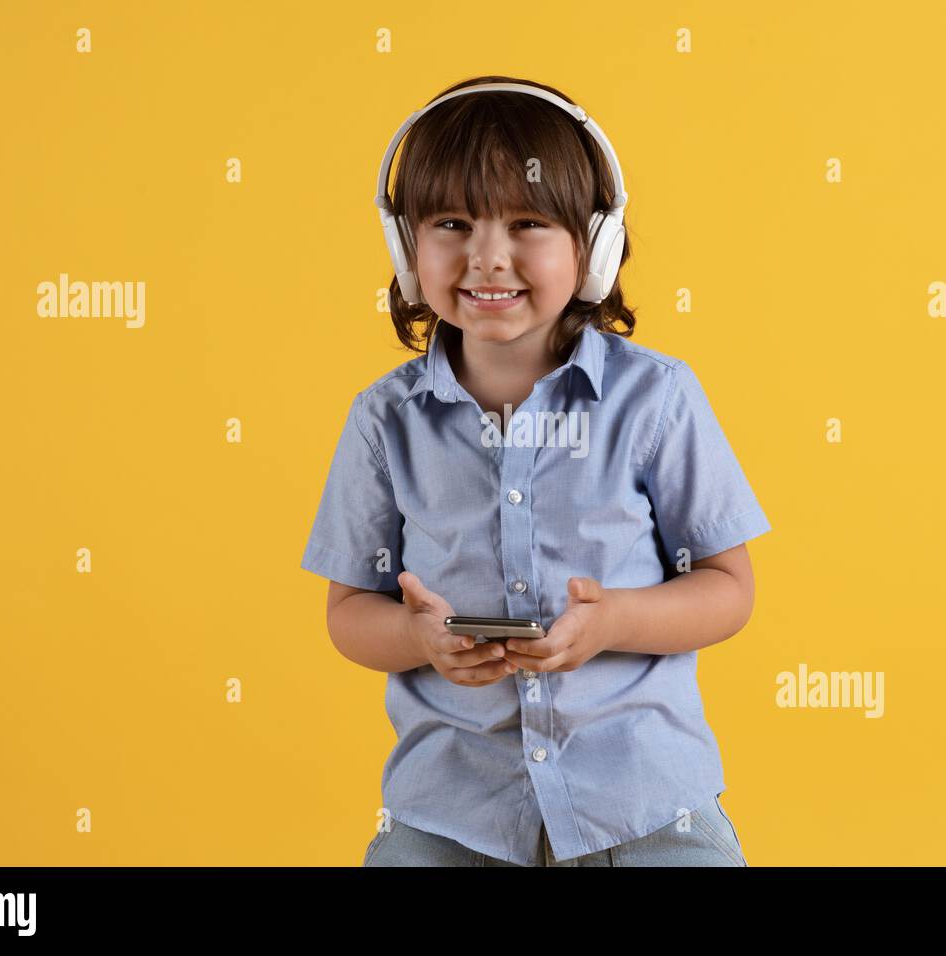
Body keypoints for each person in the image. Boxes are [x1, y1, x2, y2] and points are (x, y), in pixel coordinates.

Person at [301, 75, 771, 866]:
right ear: (405, 246)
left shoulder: (656, 400)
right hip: (453, 812)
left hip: (645, 804)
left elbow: (729, 591)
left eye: (527, 222)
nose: (489, 257)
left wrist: (615, 621)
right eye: (451, 223)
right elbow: (348, 612)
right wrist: (420, 638)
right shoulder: (384, 421)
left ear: (596, 246)